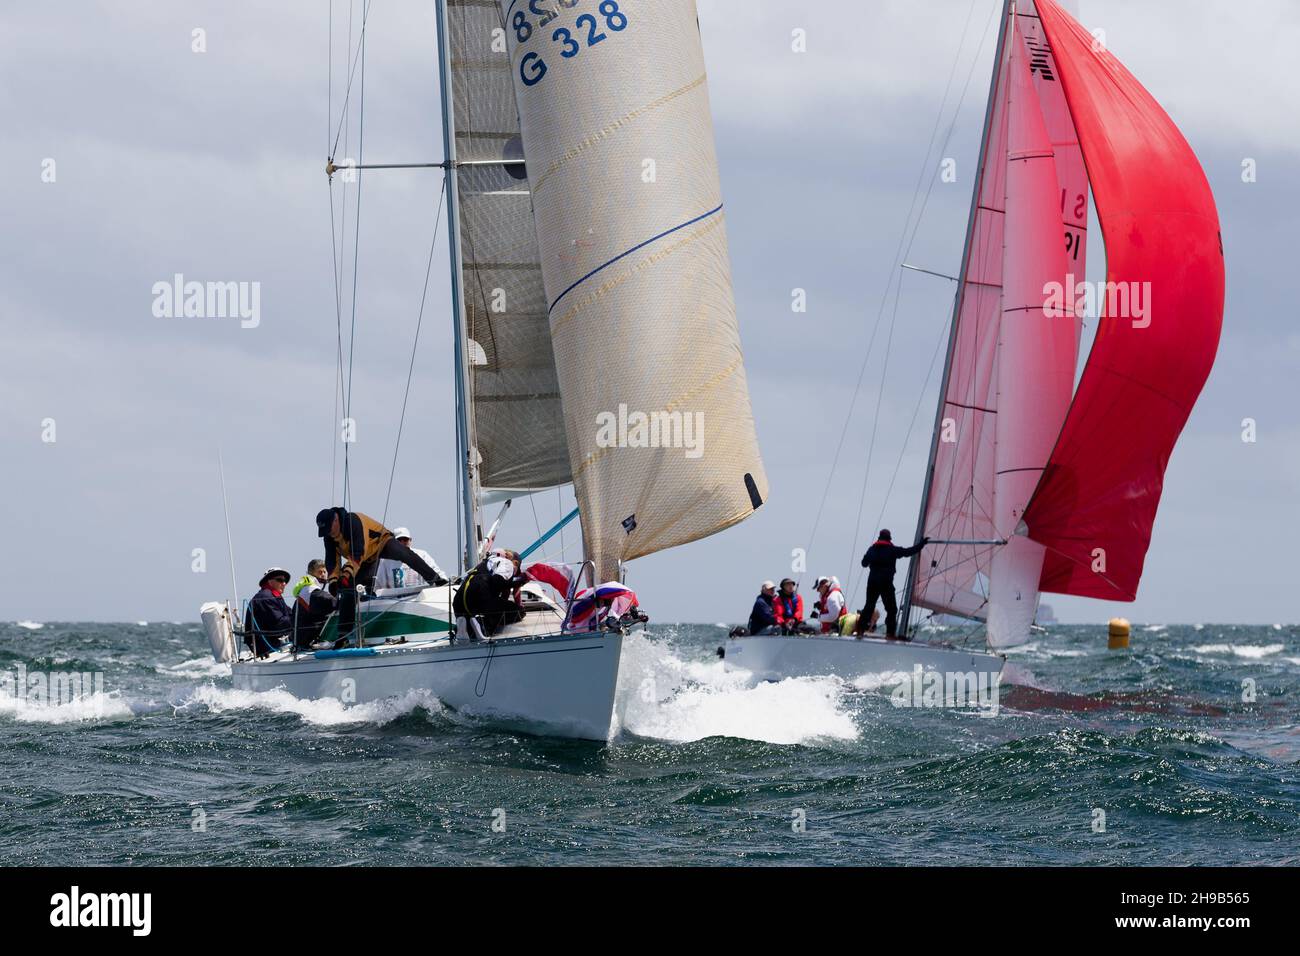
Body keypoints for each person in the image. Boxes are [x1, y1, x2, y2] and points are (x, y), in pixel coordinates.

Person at [316, 507, 448, 640]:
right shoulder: (329, 536)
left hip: (381, 543)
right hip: (365, 558)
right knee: (348, 590)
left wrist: (346, 575)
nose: (328, 533)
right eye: (325, 531)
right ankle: (343, 634)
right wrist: (333, 581)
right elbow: (332, 560)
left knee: (405, 553)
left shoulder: (353, 521)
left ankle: (435, 579)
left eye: (329, 529)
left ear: (336, 520)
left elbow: (357, 553)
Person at [853, 529, 929, 640]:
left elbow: (864, 564)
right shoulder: (892, 550)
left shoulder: (872, 549)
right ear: (889, 539)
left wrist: (871, 558)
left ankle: (860, 631)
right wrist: (921, 544)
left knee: (869, 606)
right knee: (891, 609)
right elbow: (908, 552)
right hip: (886, 584)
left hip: (872, 583)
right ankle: (890, 634)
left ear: (879, 538)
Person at [453, 549, 527, 638]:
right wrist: (519, 582)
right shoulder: (507, 563)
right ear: (515, 563)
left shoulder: (484, 563)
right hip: (479, 593)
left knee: (492, 605)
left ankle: (464, 627)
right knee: (518, 611)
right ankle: (482, 625)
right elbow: (497, 581)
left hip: (460, 599)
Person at [374, 527, 445, 590]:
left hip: (421, 597)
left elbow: (437, 572)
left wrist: (445, 583)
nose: (402, 542)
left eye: (405, 539)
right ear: (394, 543)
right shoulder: (385, 561)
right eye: (399, 540)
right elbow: (379, 584)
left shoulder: (422, 554)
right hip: (395, 599)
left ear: (410, 540)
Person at [243, 568, 293, 657]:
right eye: (280, 580)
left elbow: (290, 614)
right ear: (269, 581)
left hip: (275, 645)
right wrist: (299, 619)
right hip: (267, 649)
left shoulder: (273, 596)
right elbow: (280, 623)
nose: (284, 583)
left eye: (285, 581)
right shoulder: (266, 597)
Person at [291, 559, 337, 649]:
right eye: (320, 572)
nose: (323, 574)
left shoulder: (307, 589)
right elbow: (330, 602)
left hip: (305, 635)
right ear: (311, 573)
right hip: (307, 639)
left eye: (324, 572)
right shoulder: (309, 590)